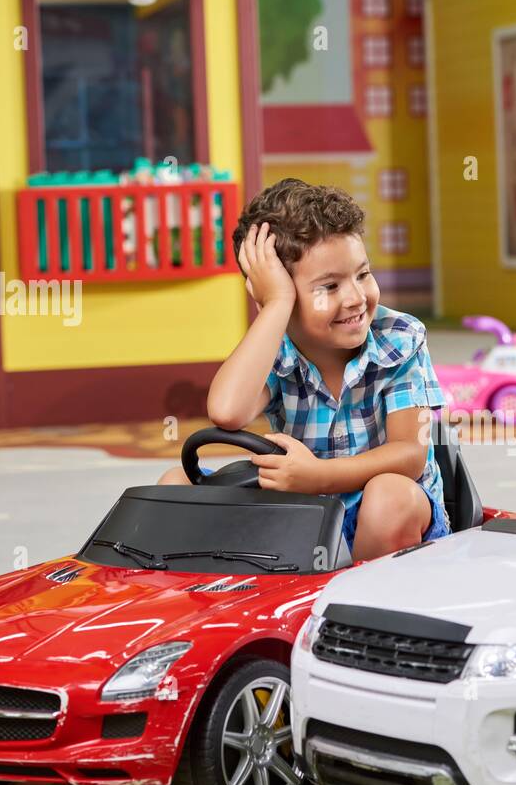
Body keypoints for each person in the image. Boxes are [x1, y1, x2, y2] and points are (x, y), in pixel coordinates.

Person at [158, 178, 450, 559]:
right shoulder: (276, 349)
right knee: (174, 484)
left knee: (388, 496)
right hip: (302, 516)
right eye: (329, 287)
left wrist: (318, 477)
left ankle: (354, 607)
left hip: (385, 510)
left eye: (362, 274)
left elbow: (409, 455)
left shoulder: (399, 339)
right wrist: (276, 304)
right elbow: (227, 412)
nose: (356, 298)